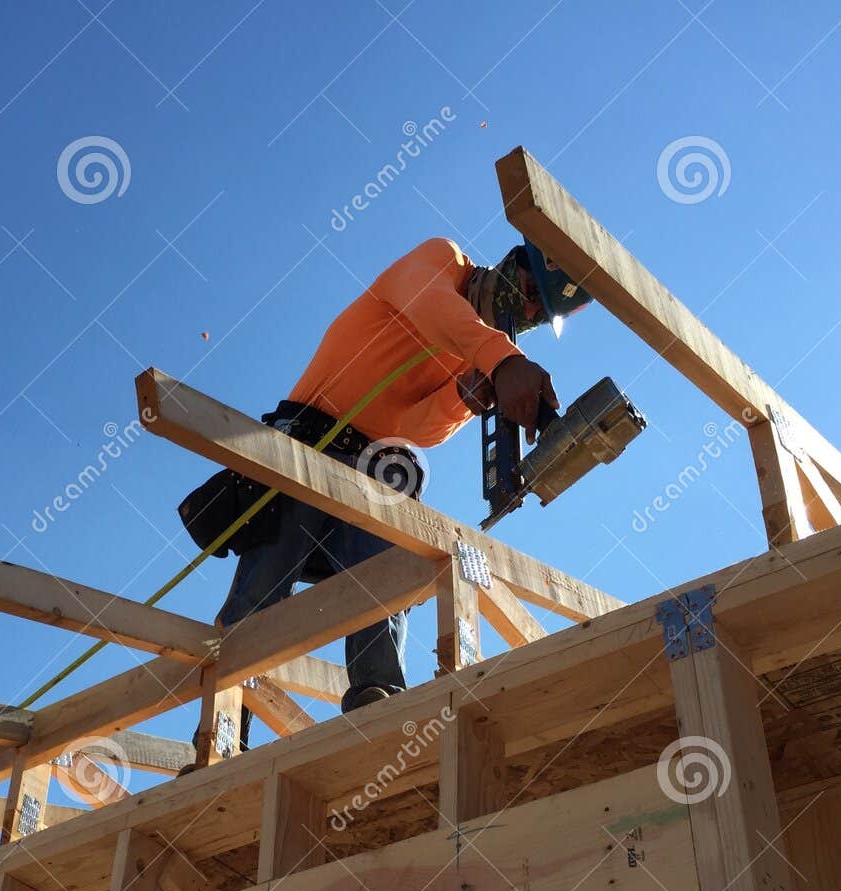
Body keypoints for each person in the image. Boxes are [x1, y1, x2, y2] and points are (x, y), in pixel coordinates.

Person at [218, 237, 592, 713]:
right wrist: (503, 359)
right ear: (510, 264)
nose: (530, 311)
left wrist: (464, 397)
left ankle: (378, 699)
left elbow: (414, 428)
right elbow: (429, 303)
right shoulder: (443, 261)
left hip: (373, 466)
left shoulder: (472, 349)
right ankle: (228, 724)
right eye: (530, 292)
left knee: (383, 574)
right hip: (307, 443)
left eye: (541, 313)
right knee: (263, 592)